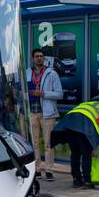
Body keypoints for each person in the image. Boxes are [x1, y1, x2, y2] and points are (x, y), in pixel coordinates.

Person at [27, 48, 64, 181]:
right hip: (32, 112)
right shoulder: (27, 73)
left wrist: (43, 94)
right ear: (33, 58)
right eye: (37, 56)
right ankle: (37, 169)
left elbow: (60, 94)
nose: (39, 58)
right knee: (34, 143)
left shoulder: (52, 73)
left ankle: (48, 170)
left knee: (49, 144)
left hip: (47, 113)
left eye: (41, 56)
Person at [51, 98, 99, 188]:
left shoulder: (85, 104)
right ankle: (87, 181)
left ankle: (77, 180)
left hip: (69, 125)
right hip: (83, 126)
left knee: (75, 153)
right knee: (86, 154)